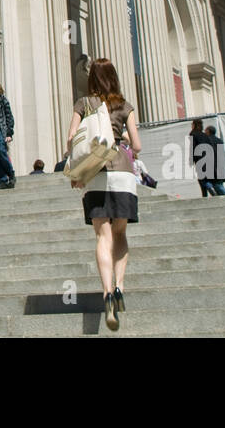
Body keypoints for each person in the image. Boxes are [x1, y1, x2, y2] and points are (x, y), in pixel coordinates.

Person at [65, 57, 141, 332]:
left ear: (92, 79)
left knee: (102, 235)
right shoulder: (124, 105)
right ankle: (120, 287)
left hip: (95, 173)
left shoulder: (83, 104)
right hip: (122, 171)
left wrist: (77, 171)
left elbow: (72, 138)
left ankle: (107, 291)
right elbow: (138, 144)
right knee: (120, 235)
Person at [204, 124, 225, 195]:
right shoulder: (219, 141)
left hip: (214, 168)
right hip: (221, 167)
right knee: (217, 185)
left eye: (205, 131)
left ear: (208, 131)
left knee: (216, 185)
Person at [189, 120, 213, 197]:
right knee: (205, 178)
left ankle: (208, 193)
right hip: (208, 158)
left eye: (192, 124)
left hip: (199, 159)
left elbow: (192, 147)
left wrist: (191, 159)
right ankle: (208, 192)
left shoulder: (193, 134)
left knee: (201, 179)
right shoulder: (205, 135)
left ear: (194, 125)